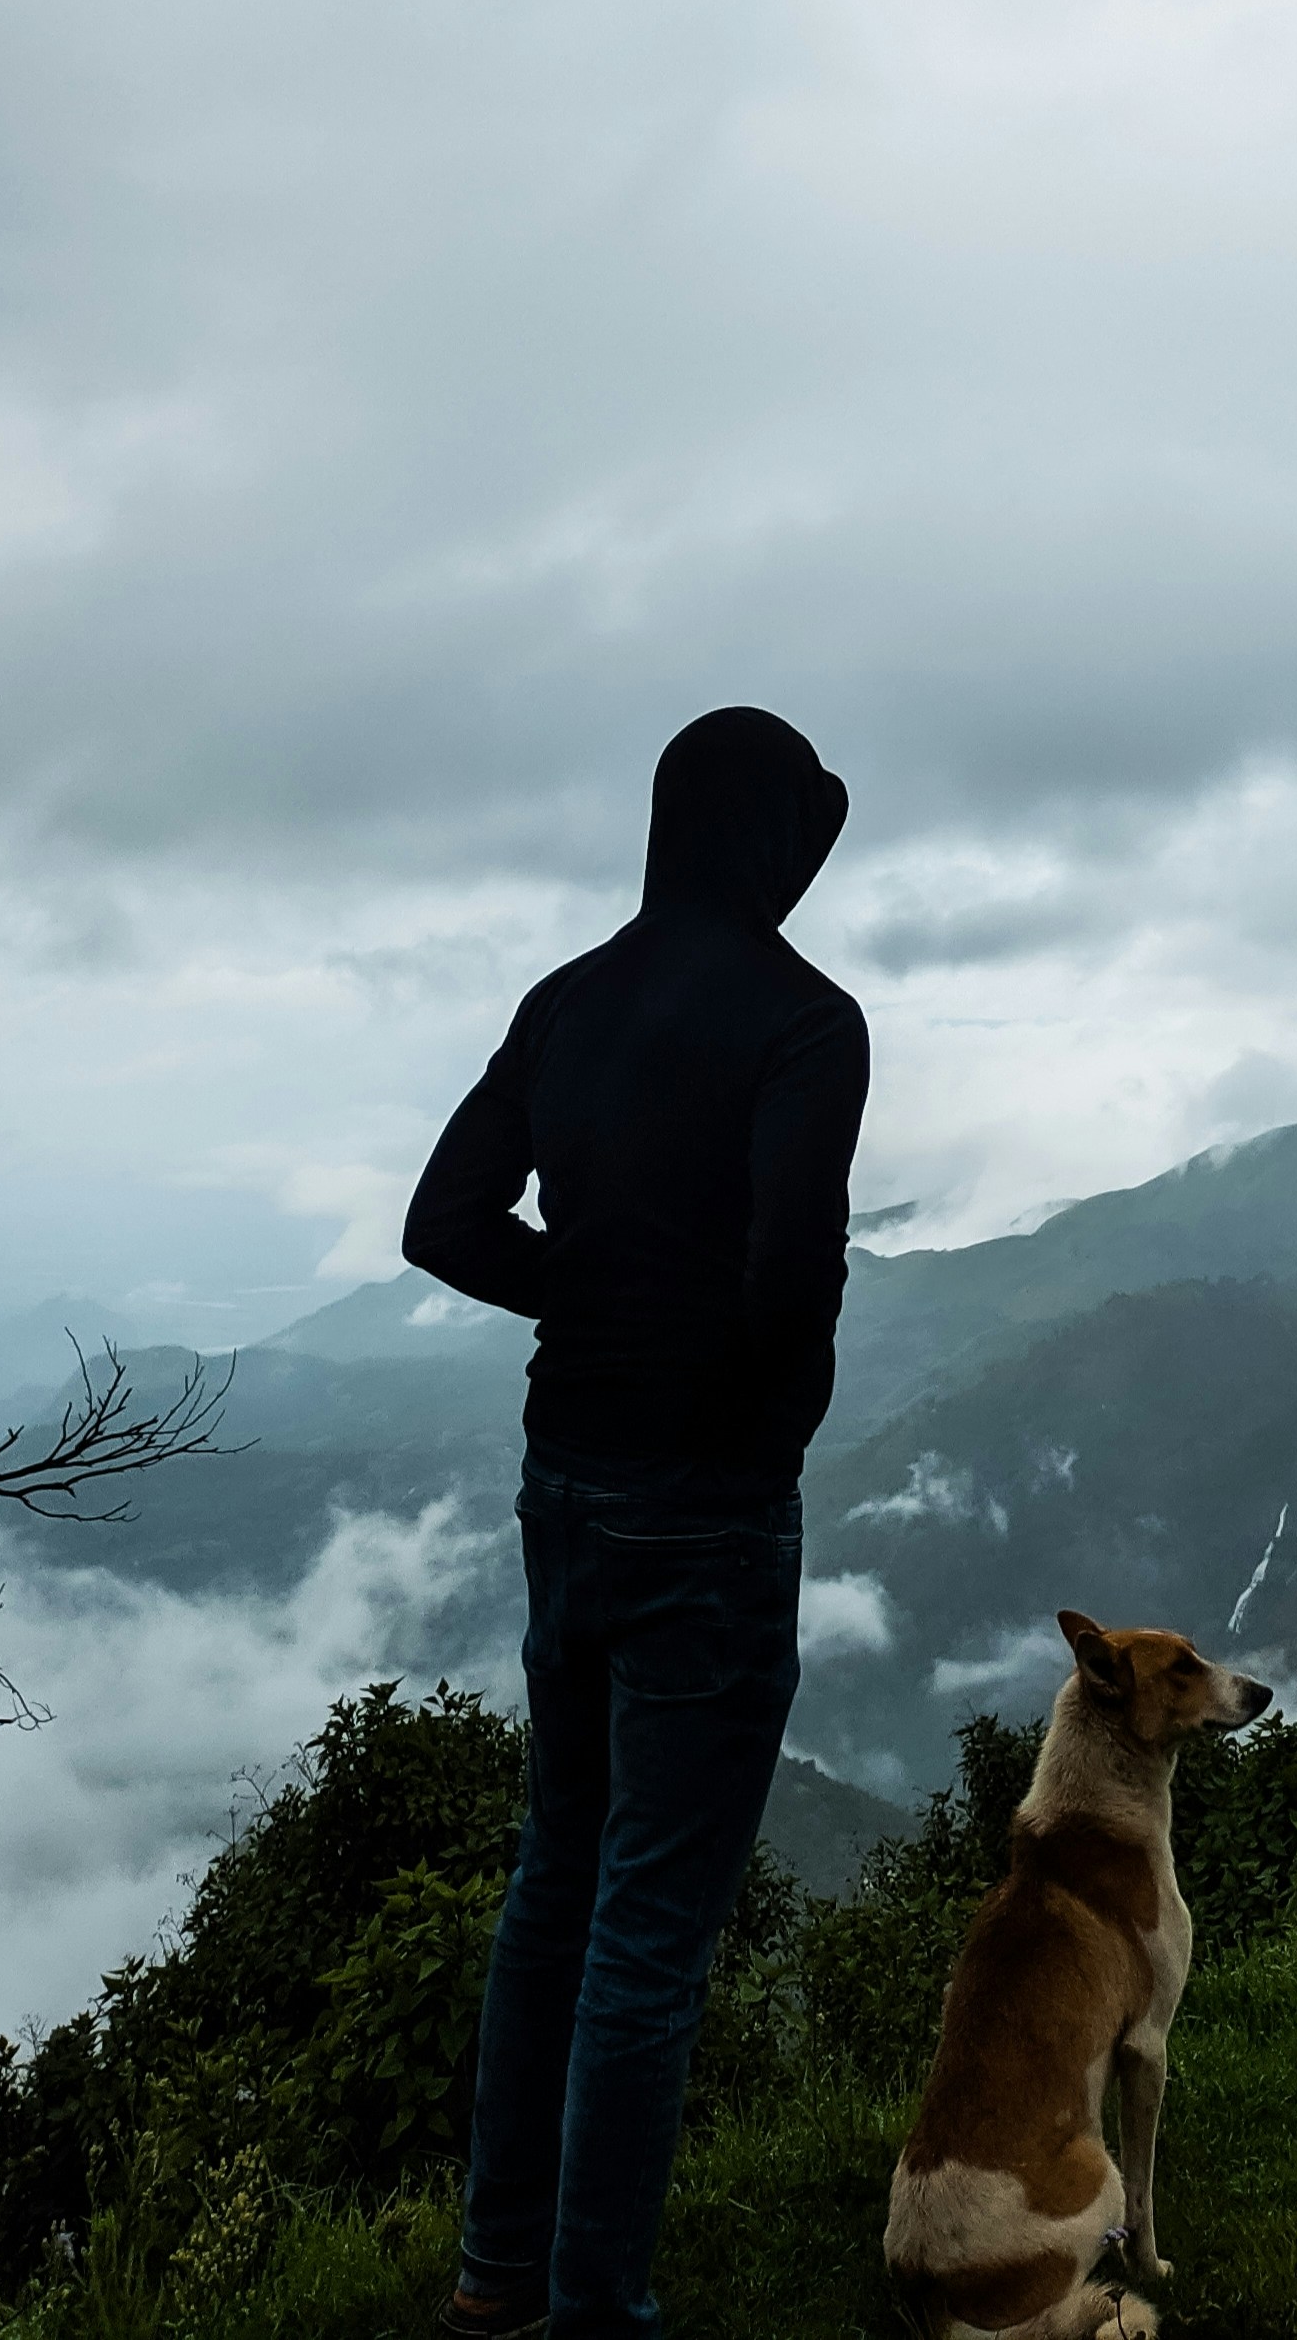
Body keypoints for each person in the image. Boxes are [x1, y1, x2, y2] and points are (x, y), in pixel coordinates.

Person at [402, 707, 869, 2339]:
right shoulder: (805, 1022)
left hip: (563, 1484)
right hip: (704, 1506)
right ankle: (597, 2310)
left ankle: (495, 2278)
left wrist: (588, 1293)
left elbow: (443, 1222)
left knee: (557, 1878)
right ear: (769, 838)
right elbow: (790, 1271)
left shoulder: (567, 1001)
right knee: (650, 1928)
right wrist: (761, 1428)